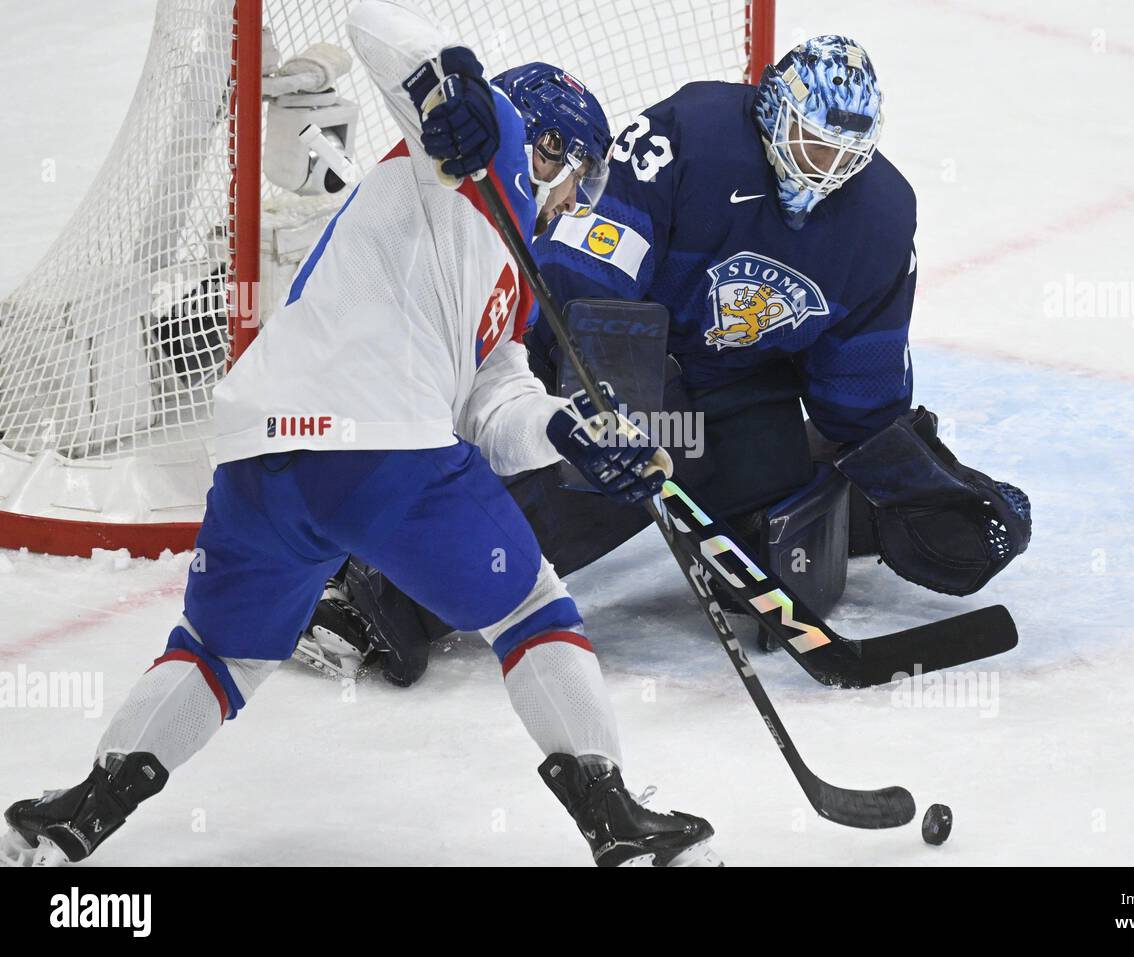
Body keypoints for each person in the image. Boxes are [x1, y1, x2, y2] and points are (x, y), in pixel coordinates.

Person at [0, 0, 718, 869]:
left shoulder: (508, 284)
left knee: (221, 650)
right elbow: (380, 22)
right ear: (550, 148)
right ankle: (613, 818)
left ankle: (83, 809)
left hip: (260, 462)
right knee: (531, 608)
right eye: (580, 176)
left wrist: (570, 433)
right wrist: (443, 83)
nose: (574, 200)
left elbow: (496, 410)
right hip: (384, 456)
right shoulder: (481, 153)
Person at [302, 33, 1032, 685]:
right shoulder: (692, 134)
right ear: (777, 111)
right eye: (814, 146)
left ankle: (765, 526)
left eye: (846, 157)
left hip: (728, 388)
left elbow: (856, 393)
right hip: (593, 331)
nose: (825, 172)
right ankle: (382, 594)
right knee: (607, 468)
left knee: (764, 464)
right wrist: (612, 410)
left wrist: (919, 486)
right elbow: (596, 273)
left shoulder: (879, 217)